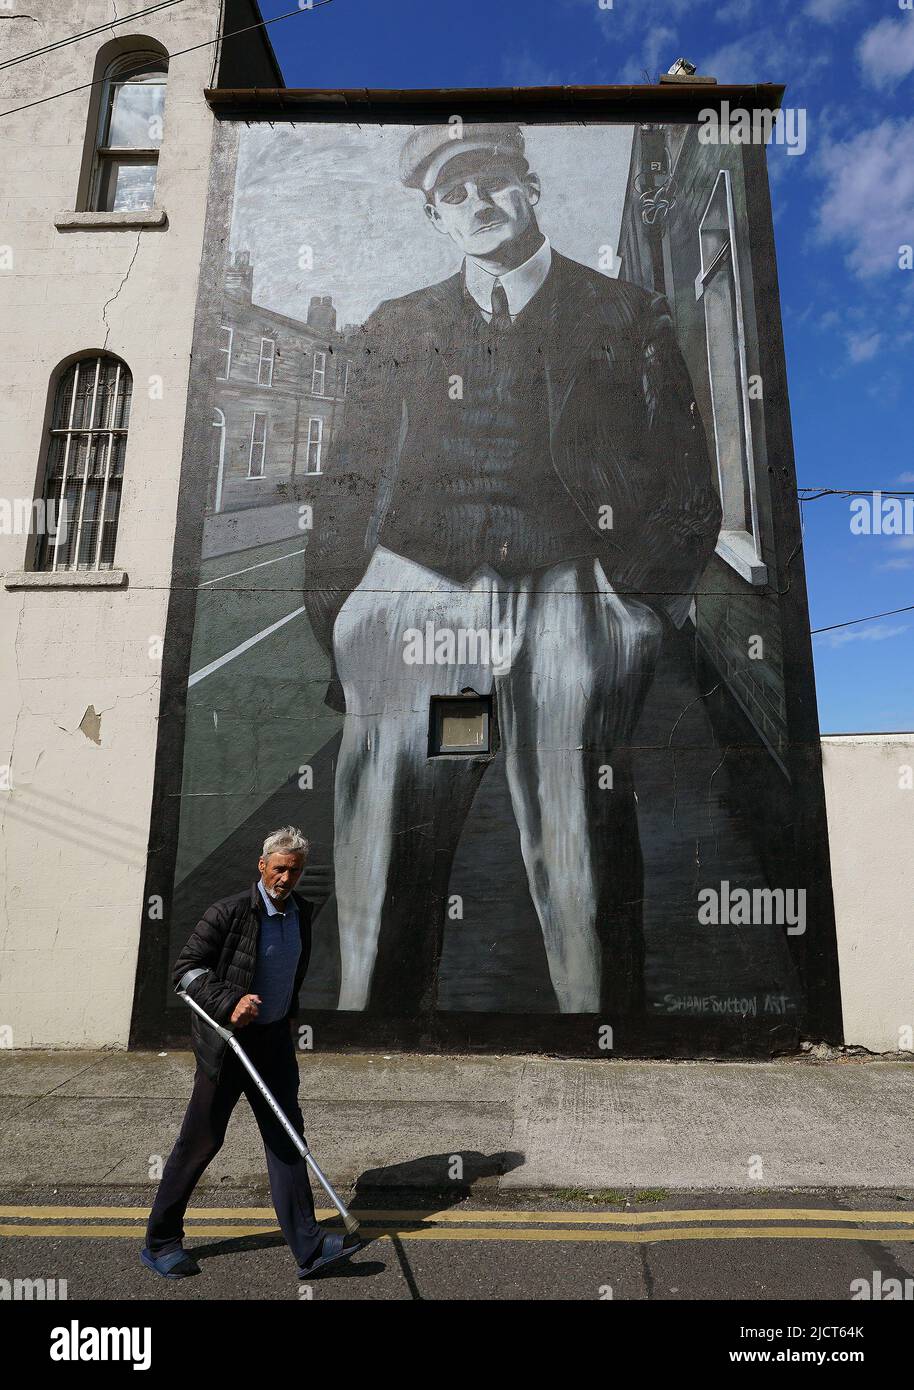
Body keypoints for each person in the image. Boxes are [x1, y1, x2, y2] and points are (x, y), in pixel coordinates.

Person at [305, 123, 721, 1019]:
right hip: (417, 596)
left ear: (531, 188)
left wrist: (631, 605)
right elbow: (346, 483)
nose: (478, 205)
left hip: (569, 594)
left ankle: (605, 1041)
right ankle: (379, 1046)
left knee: (578, 840)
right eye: (454, 196)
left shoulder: (626, 313)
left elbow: (688, 482)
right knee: (388, 839)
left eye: (493, 183)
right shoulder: (397, 327)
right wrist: (345, 618)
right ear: (434, 217)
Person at [141, 826, 360, 1280]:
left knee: (287, 1139)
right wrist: (229, 1003)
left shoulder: (301, 912)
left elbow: (288, 974)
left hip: (273, 1044)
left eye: (294, 870)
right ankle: (160, 1241)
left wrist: (285, 1016)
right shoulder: (229, 912)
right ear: (262, 866)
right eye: (279, 868)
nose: (285, 877)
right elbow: (186, 971)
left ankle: (310, 1247)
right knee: (201, 1141)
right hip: (228, 1044)